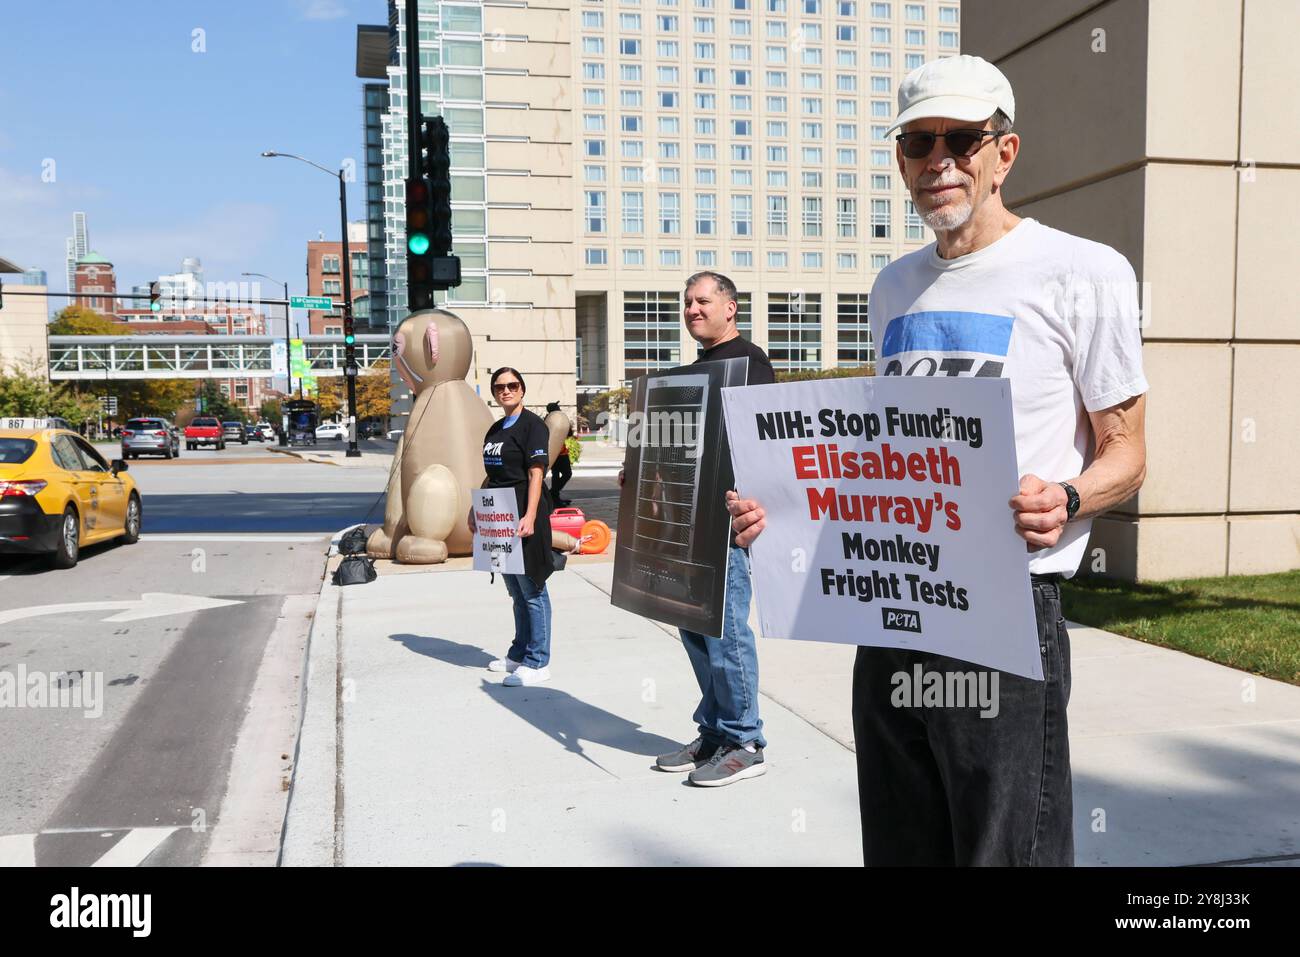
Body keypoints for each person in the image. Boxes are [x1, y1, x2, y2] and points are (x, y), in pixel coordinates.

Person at [727, 55, 1148, 863]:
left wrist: (1067, 494)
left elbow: (1128, 451)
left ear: (1005, 152)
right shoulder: (894, 288)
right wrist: (782, 509)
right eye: (919, 142)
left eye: (961, 138)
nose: (939, 160)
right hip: (891, 613)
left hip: (1004, 614)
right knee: (901, 846)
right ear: (901, 160)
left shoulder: (1083, 271)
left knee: (1003, 849)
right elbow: (886, 466)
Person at [624, 271, 777, 787]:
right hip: (685, 526)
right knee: (693, 626)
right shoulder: (694, 370)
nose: (692, 309)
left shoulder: (748, 364)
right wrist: (640, 465)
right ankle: (714, 731)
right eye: (687, 302)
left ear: (730, 308)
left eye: (703, 301)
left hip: (724, 527)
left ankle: (744, 740)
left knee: (726, 632)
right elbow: (678, 445)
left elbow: (762, 442)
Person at [469, 367, 556, 687]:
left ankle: (538, 660)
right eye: (500, 386)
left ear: (522, 389)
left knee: (532, 588)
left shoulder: (533, 426)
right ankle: (519, 653)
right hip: (498, 516)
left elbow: (536, 473)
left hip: (523, 513)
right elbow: (493, 476)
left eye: (513, 385)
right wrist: (475, 510)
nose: (506, 390)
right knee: (516, 590)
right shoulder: (495, 429)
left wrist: (531, 515)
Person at [545, 400, 573, 507]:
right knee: (566, 474)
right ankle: (553, 495)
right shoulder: (551, 420)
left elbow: (568, 433)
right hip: (558, 453)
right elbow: (569, 433)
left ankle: (554, 496)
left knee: (557, 475)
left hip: (559, 452)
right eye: (558, 408)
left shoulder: (550, 419)